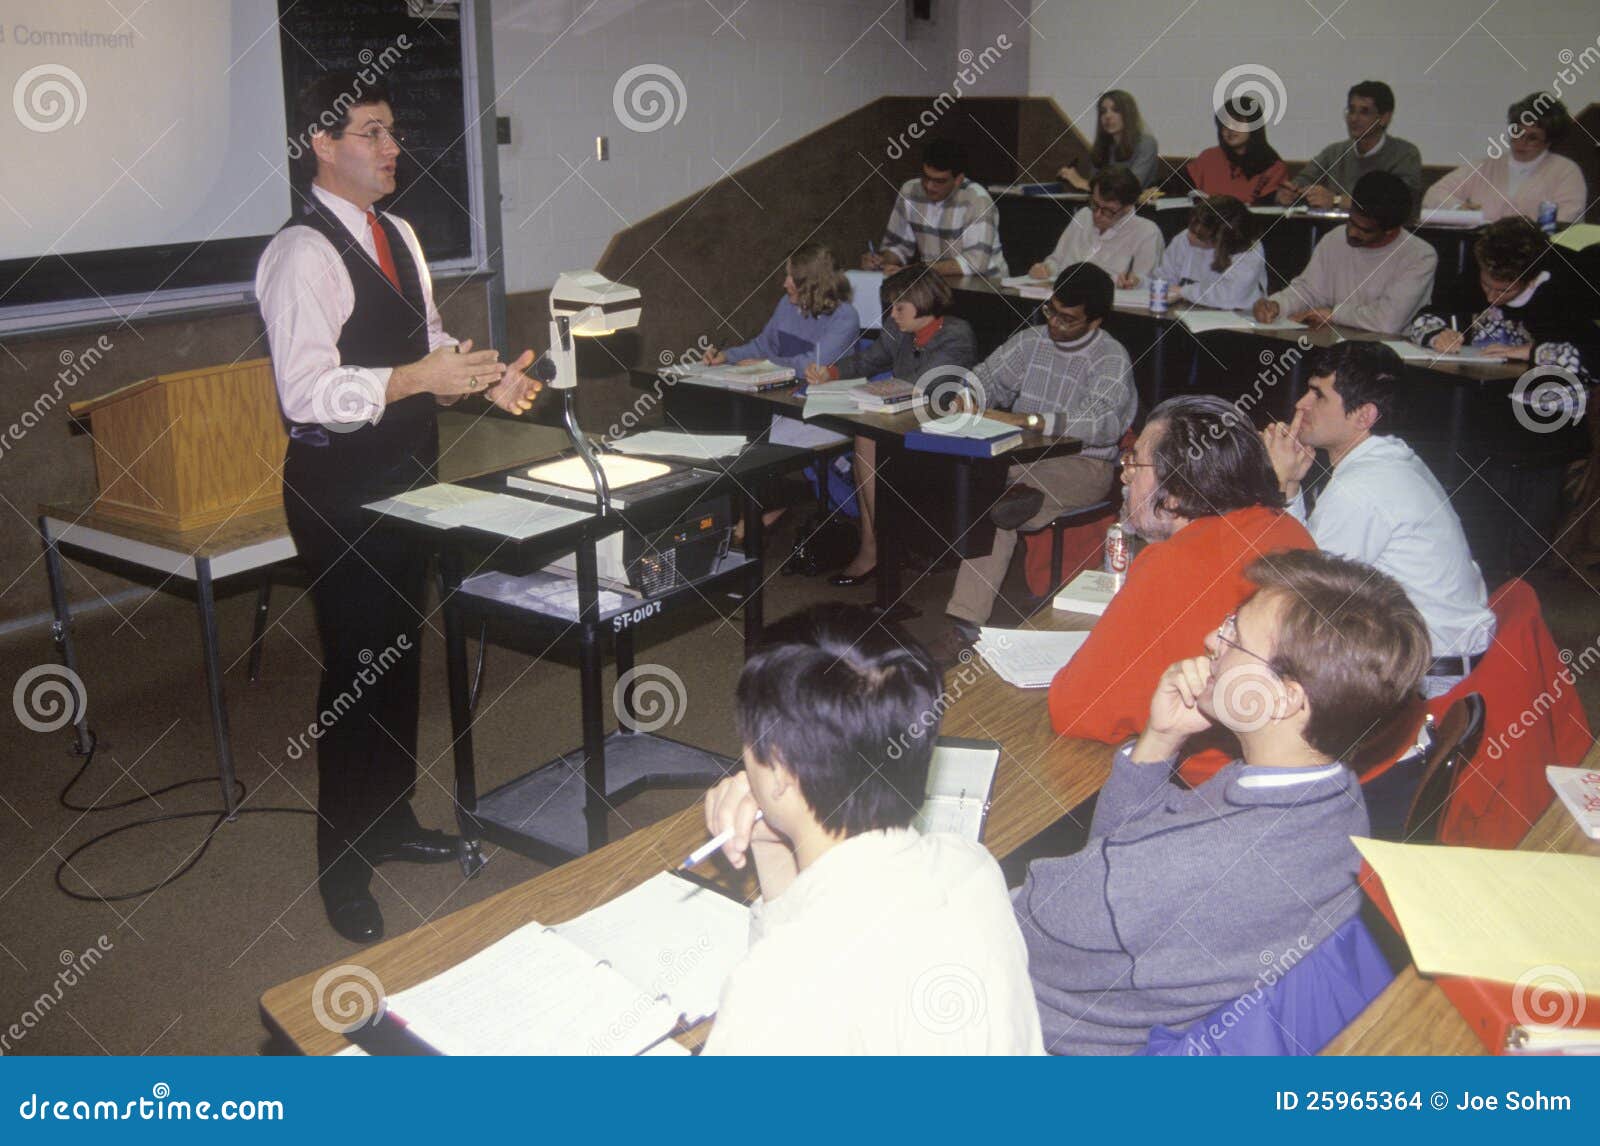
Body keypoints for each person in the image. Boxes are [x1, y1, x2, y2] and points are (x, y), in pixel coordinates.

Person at [256, 74, 542, 943]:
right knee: (355, 671)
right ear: (321, 144)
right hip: (339, 492)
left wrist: (487, 378)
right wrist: (421, 378)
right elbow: (305, 393)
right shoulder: (298, 254)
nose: (392, 149)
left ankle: (391, 821)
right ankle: (342, 866)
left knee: (399, 657)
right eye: (372, 133)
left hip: (412, 478)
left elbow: (421, 344)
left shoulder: (400, 233)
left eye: (393, 133)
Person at [1019, 549, 1432, 1054]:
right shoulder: (1335, 796)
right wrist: (1159, 740)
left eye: (1236, 636)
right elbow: (1116, 868)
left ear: (1284, 698)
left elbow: (1030, 930)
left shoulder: (1187, 867)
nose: (1213, 639)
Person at [700, 605, 1043, 1055]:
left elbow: (789, 983)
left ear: (780, 768)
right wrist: (773, 849)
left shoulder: (774, 987)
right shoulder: (971, 866)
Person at [1047, 395, 1315, 781]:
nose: (1125, 476)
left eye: (1134, 463)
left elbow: (1075, 712)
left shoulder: (1171, 563)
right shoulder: (1287, 528)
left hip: (1214, 789)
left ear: (1174, 495)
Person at [1262, 341, 1495, 698]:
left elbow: (1297, 594)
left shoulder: (1362, 487)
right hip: (1441, 657)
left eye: (1317, 396)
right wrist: (1291, 486)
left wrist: (1276, 483)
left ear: (1363, 416)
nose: (1300, 405)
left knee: (1263, 654)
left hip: (1427, 679)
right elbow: (1310, 558)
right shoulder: (1387, 459)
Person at [935, 263, 1136, 658]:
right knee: (994, 496)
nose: (1056, 325)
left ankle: (963, 624)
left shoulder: (1110, 357)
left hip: (1083, 465)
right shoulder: (1031, 341)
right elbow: (986, 376)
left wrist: (1034, 420)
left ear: (1095, 320)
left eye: (1069, 319)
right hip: (1021, 458)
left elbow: (1103, 424)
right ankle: (1015, 503)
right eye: (1052, 311)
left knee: (996, 498)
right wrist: (967, 396)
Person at [803, 264, 979, 584]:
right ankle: (875, 545)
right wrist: (830, 372)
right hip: (901, 418)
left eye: (900, 307)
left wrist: (872, 393)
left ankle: (880, 547)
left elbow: (923, 385)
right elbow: (869, 360)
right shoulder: (898, 329)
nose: (893, 314)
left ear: (924, 301)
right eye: (891, 307)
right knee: (865, 436)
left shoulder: (957, 333)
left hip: (942, 426)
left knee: (867, 439)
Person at [1407, 217, 1599, 387]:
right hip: (1480, 384)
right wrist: (1437, 334)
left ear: (1531, 280)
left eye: (1505, 291)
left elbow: (1593, 357)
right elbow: (1427, 315)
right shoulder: (1478, 273)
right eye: (1486, 285)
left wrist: (1533, 352)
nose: (1491, 298)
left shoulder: (1567, 290)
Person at [1254, 171, 1436, 334]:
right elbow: (1308, 291)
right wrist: (1277, 304)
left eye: (1364, 230)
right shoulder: (1335, 238)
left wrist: (1334, 314)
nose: (1352, 232)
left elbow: (1387, 321)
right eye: (1351, 221)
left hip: (1390, 356)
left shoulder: (1420, 256)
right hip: (1333, 344)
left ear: (1390, 230)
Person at [1423, 94, 1586, 224]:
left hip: (1539, 255)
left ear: (1549, 140)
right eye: (1517, 133)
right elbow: (1434, 194)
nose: (1521, 143)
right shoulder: (1485, 166)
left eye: (1532, 138)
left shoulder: (1565, 171)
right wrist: (1459, 209)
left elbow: (1566, 219)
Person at [705, 243, 859, 373]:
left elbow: (814, 365)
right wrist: (727, 356)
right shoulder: (786, 303)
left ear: (813, 283)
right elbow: (763, 346)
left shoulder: (845, 317)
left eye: (792, 277)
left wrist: (767, 366)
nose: (785, 284)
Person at [867, 138, 1007, 279]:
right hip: (936, 283)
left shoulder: (977, 200)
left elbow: (975, 263)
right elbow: (898, 246)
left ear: (958, 179)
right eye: (926, 177)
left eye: (939, 181)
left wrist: (915, 271)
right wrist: (882, 260)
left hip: (985, 287)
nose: (929, 186)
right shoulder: (910, 191)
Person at [1276, 81, 1422, 211]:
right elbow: (1303, 180)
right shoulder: (1334, 153)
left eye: (1364, 112)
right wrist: (1289, 193)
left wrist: (1336, 200)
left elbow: (1396, 202)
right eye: (1351, 110)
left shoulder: (1405, 154)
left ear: (1384, 118)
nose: (1354, 118)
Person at [1031, 166, 1162, 288]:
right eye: (1094, 204)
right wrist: (1046, 268)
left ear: (1128, 207)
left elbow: (1146, 284)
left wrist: (1133, 282)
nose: (1097, 215)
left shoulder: (1147, 232)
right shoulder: (1083, 216)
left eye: (1107, 210)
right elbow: (1057, 261)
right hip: (1066, 295)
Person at [1153, 195, 1267, 310]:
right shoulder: (1183, 238)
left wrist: (1184, 291)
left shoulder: (1251, 249)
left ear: (1221, 240)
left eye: (1199, 236)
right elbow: (1163, 279)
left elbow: (1229, 296)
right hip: (1188, 311)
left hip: (1238, 317)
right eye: (1191, 228)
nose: (1189, 236)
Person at [1185, 97, 1289, 205]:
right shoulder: (1210, 156)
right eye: (1224, 124)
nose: (1229, 129)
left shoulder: (1274, 167)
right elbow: (1178, 185)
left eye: (1237, 122)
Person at [1059, 90, 1159, 191]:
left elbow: (1129, 189)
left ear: (1128, 114)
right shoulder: (1103, 146)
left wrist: (1082, 183)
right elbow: (1096, 185)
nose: (1108, 116)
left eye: (1115, 110)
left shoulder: (1146, 143)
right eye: (1103, 112)